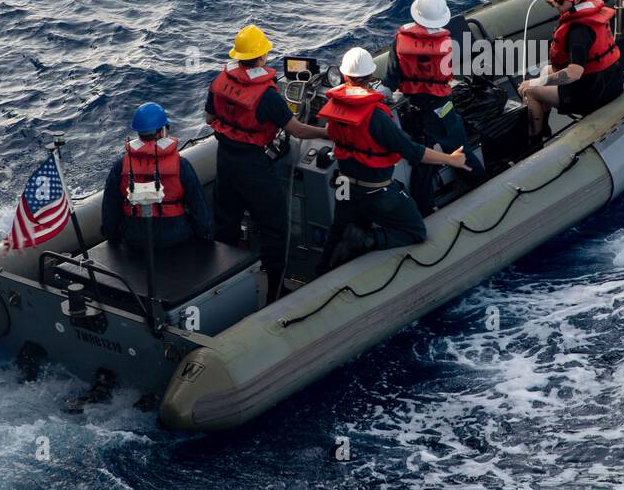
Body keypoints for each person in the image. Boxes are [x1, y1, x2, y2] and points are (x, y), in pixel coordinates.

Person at [314, 47, 469, 274]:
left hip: (344, 187)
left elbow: (331, 133)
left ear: (345, 76)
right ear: (371, 76)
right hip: (376, 191)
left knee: (338, 230)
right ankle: (368, 239)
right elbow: (413, 151)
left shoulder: (335, 107)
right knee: (415, 231)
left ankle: (321, 272)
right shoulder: (376, 116)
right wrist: (451, 159)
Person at [206, 24, 327, 302]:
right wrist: (326, 132)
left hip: (225, 161)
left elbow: (210, 119)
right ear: (261, 57)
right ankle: (275, 289)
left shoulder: (220, 82)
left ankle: (222, 289)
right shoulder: (267, 95)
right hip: (254, 167)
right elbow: (297, 130)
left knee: (225, 223)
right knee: (275, 227)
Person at [383, 0, 486, 215]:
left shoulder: (400, 39)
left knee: (424, 158)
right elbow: (445, 76)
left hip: (413, 108)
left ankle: (424, 209)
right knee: (459, 147)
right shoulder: (445, 43)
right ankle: (481, 183)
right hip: (440, 108)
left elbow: (390, 79)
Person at [518, 0, 623, 137]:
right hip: (608, 81)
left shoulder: (578, 32)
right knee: (546, 70)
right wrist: (558, 2)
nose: (556, 5)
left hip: (593, 94)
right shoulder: (589, 11)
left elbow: (574, 73)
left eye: (560, 2)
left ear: (576, 1)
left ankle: (535, 138)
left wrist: (534, 82)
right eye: (555, 1)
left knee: (529, 90)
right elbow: (572, 7)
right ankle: (543, 126)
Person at [101, 102, 212, 249]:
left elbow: (110, 207)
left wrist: (112, 236)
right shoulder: (181, 165)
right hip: (175, 235)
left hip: (134, 236)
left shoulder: (121, 166)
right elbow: (198, 206)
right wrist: (206, 236)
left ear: (139, 132)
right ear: (162, 132)